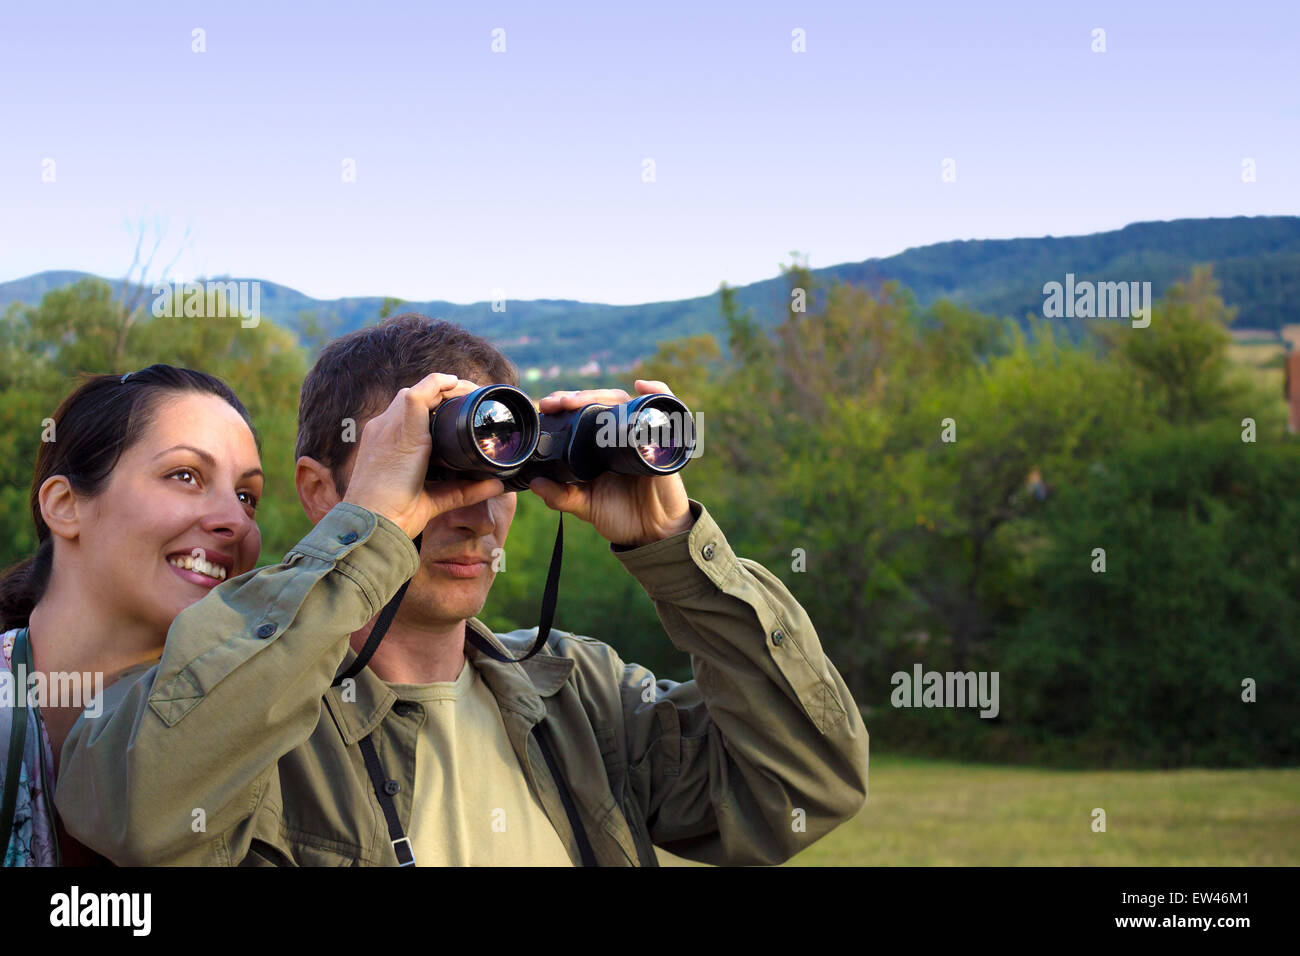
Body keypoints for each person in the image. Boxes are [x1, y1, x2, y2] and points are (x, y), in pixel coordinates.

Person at [55, 315, 869, 866]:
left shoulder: (583, 699)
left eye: (502, 469)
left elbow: (806, 786)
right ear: (321, 491)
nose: (476, 511)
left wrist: (676, 552)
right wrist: (370, 530)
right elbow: (145, 809)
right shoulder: (237, 724)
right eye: (438, 472)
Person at [1, 365, 262, 866]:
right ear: (64, 505)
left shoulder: (268, 733)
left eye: (246, 496)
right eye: (185, 475)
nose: (235, 521)